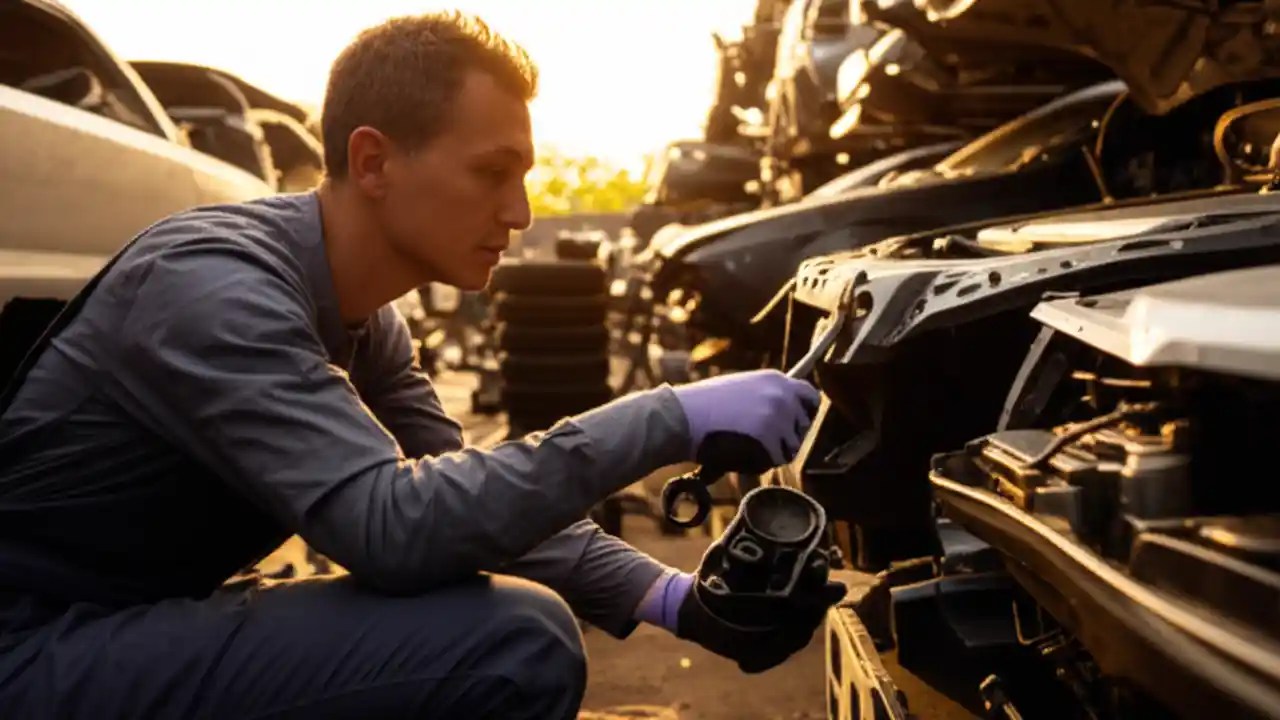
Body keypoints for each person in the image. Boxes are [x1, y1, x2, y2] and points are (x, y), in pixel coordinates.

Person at [0, 11, 842, 719]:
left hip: (120, 622)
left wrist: (677, 601)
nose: (520, 212)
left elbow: (467, 503)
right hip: (30, 648)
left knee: (501, 616)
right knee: (513, 644)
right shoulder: (213, 286)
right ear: (373, 162)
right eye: (492, 173)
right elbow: (391, 529)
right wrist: (669, 417)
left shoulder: (367, 321)